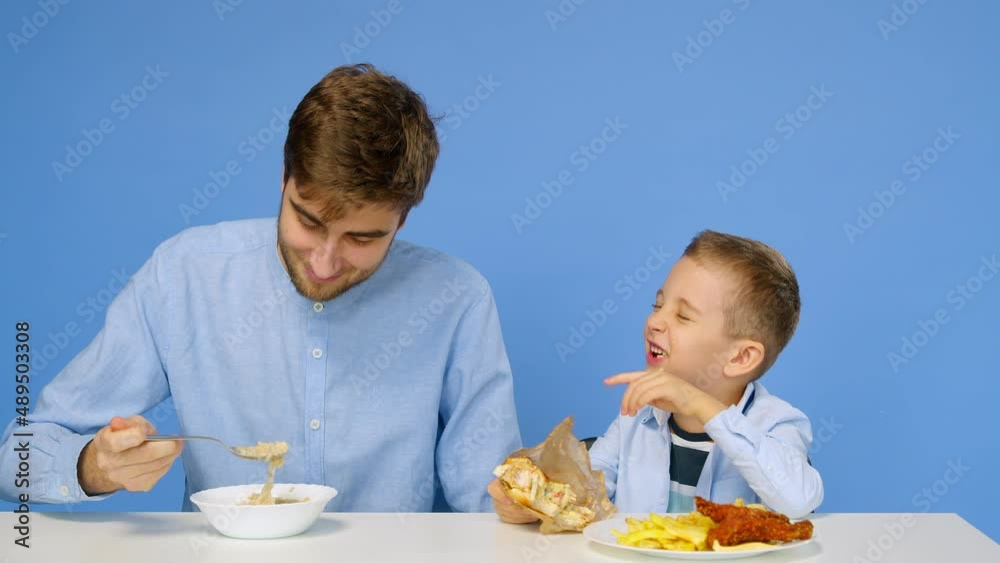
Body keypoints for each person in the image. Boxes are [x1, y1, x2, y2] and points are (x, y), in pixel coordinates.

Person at [0, 64, 522, 513]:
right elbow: (16, 458)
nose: (324, 262)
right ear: (284, 179)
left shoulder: (456, 300)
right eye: (309, 221)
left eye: (361, 238)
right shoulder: (184, 276)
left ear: (403, 219)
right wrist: (95, 466)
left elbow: (491, 498)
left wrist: (563, 485)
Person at [490, 230, 822, 521]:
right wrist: (529, 500)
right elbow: (583, 491)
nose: (656, 322)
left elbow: (799, 500)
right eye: (657, 306)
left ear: (740, 357)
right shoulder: (637, 419)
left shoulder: (778, 424)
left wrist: (699, 403)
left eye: (683, 316)